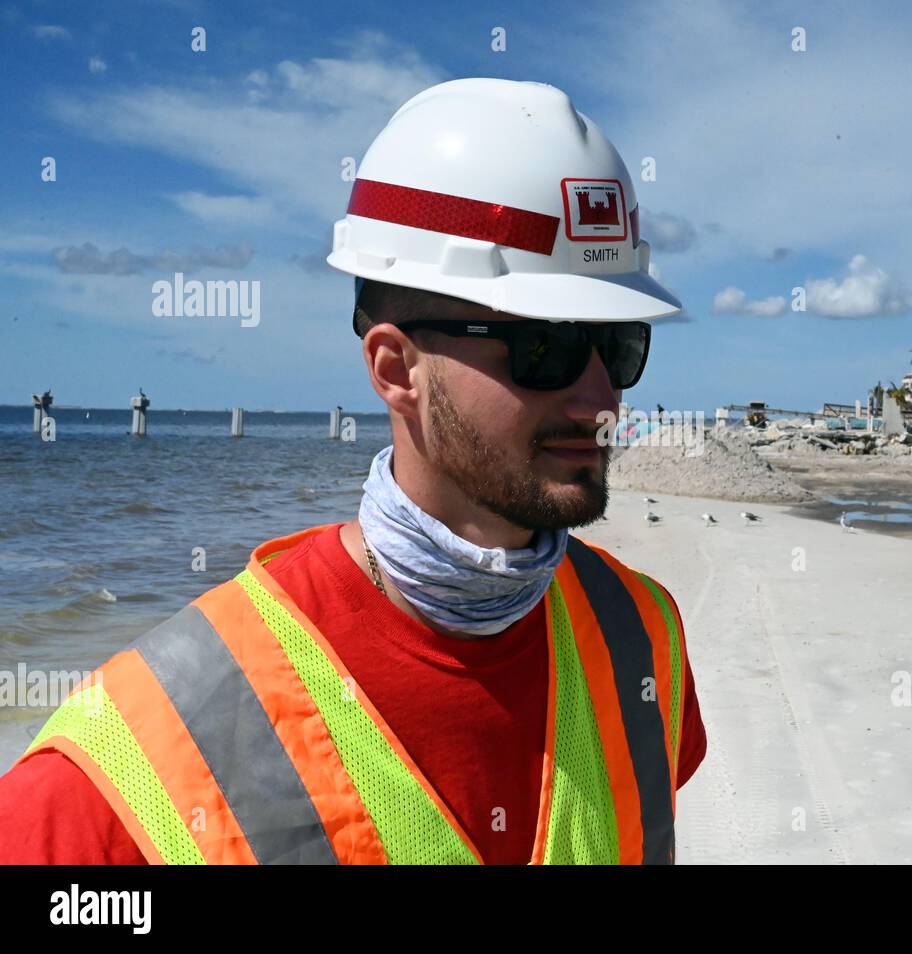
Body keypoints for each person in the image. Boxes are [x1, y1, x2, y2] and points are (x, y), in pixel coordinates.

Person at [0, 78, 706, 865]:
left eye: (620, 346)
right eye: (550, 346)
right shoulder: (130, 762)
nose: (601, 396)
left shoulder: (642, 637)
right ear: (397, 368)